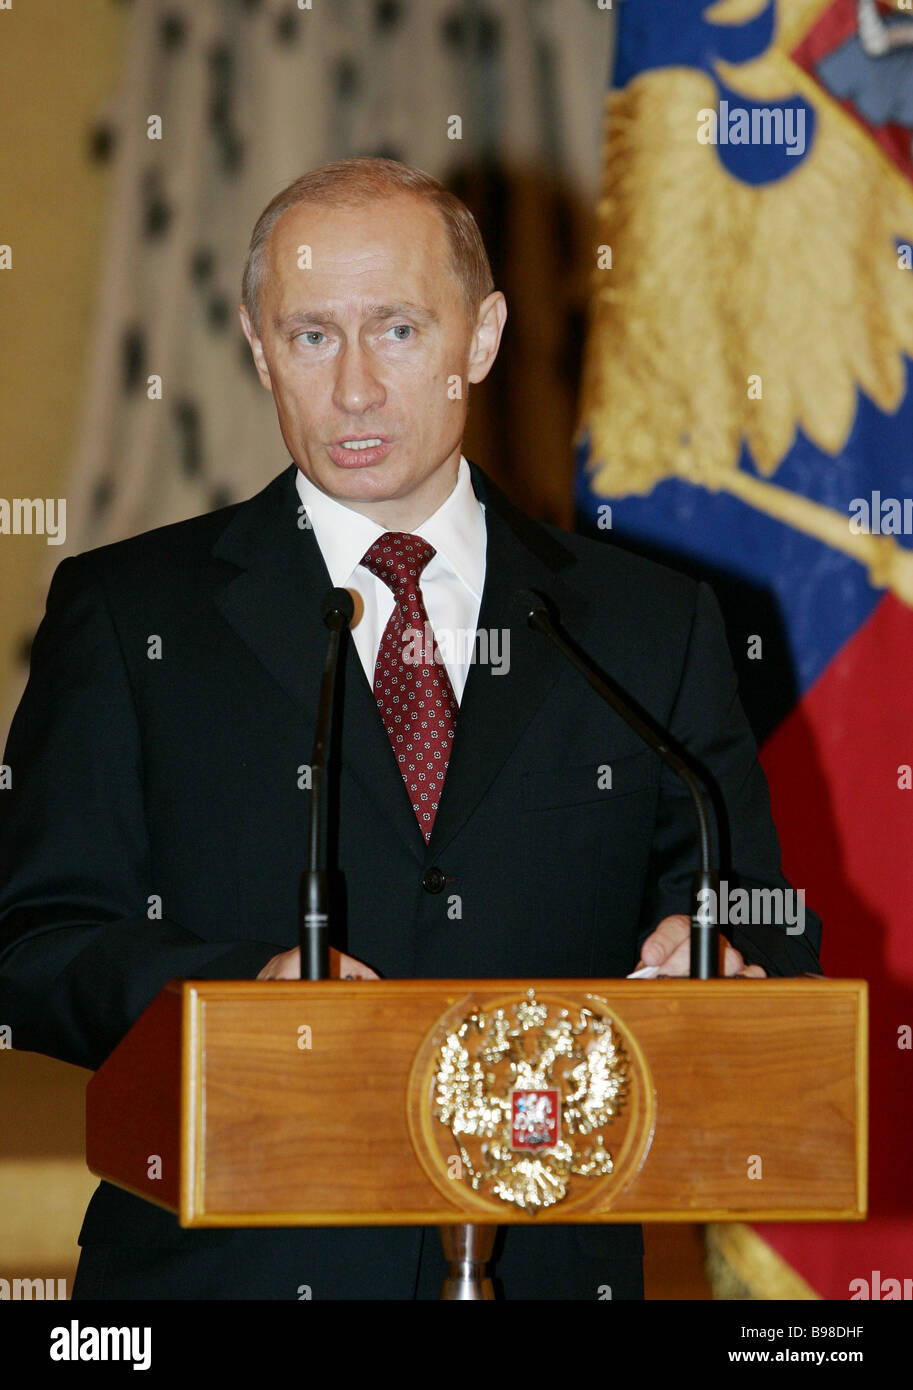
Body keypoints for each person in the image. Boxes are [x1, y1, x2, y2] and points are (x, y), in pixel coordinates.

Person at [0, 157, 821, 1300]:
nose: (351, 391)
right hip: (223, 1271)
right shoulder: (130, 615)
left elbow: (763, 916)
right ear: (254, 345)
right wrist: (241, 993)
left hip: (546, 1263)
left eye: (395, 329)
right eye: (309, 336)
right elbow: (35, 940)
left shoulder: (648, 624)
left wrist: (720, 955)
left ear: (479, 339)